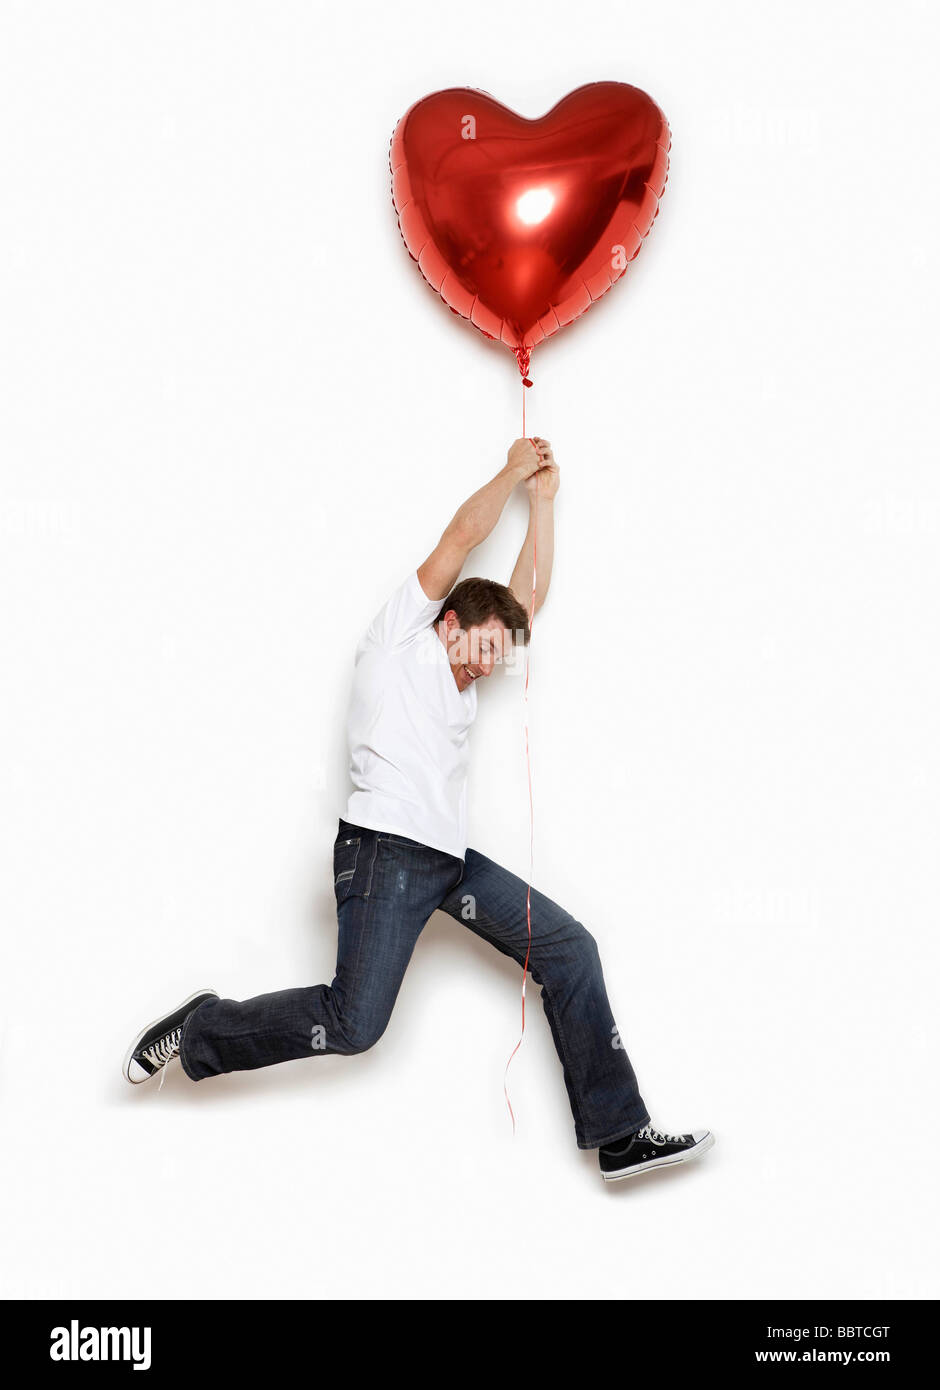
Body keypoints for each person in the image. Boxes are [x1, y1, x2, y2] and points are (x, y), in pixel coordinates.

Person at [122, 437, 715, 1183]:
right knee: (353, 1025)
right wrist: (511, 472)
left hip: (446, 862)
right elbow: (461, 538)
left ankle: (620, 1133)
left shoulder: (469, 670)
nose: (484, 669)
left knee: (570, 948)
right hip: (381, 852)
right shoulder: (398, 640)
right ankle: (199, 1027)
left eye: (497, 659)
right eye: (480, 650)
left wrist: (546, 505)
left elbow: (527, 599)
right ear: (449, 620)